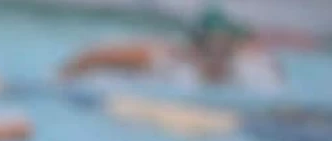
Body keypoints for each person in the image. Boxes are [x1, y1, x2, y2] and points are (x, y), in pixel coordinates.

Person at [58, 6, 283, 86]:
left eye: (226, 47)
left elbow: (275, 75)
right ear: (196, 47)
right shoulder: (166, 59)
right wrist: (62, 79)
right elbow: (96, 56)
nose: (219, 56)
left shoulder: (251, 67)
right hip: (133, 81)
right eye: (213, 47)